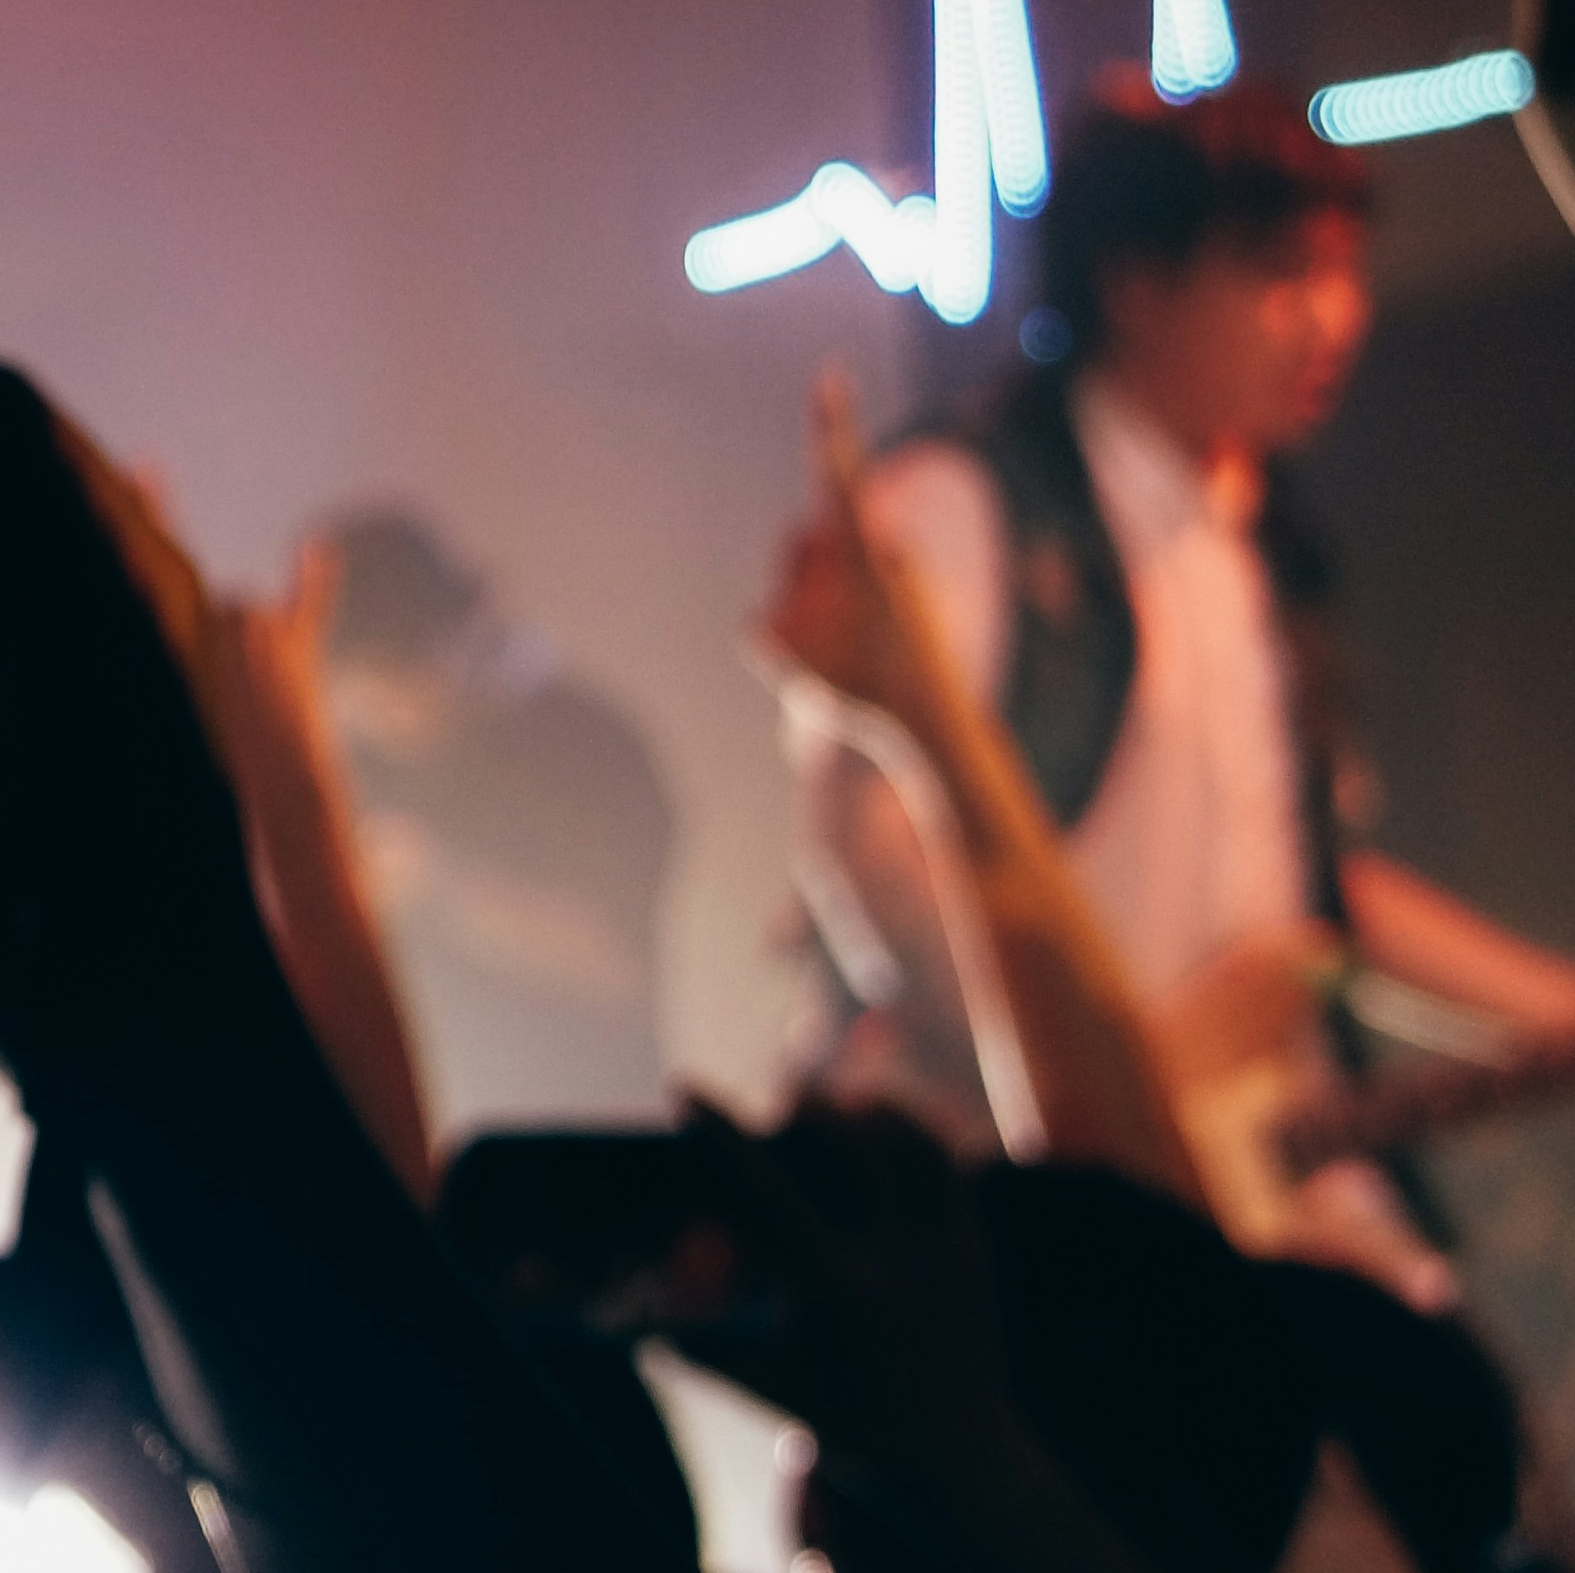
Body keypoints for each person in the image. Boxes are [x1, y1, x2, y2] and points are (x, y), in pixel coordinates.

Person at [803, 75, 1575, 1297]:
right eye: (1279, 276)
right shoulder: (969, 503)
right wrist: (1085, 1083)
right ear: (1135, 284)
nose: (1330, 320)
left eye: (1342, 273)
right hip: (1046, 1208)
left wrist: (1555, 1010)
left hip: (1257, 1176)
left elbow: (1318, 903)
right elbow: (878, 853)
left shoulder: (1267, 545)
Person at [316, 503, 674, 1134]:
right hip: (423, 1138)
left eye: (390, 685)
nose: (382, 718)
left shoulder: (589, 750)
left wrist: (438, 888)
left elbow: (613, 963)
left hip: (580, 1143)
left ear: (448, 641)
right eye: (357, 698)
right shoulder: (357, 764)